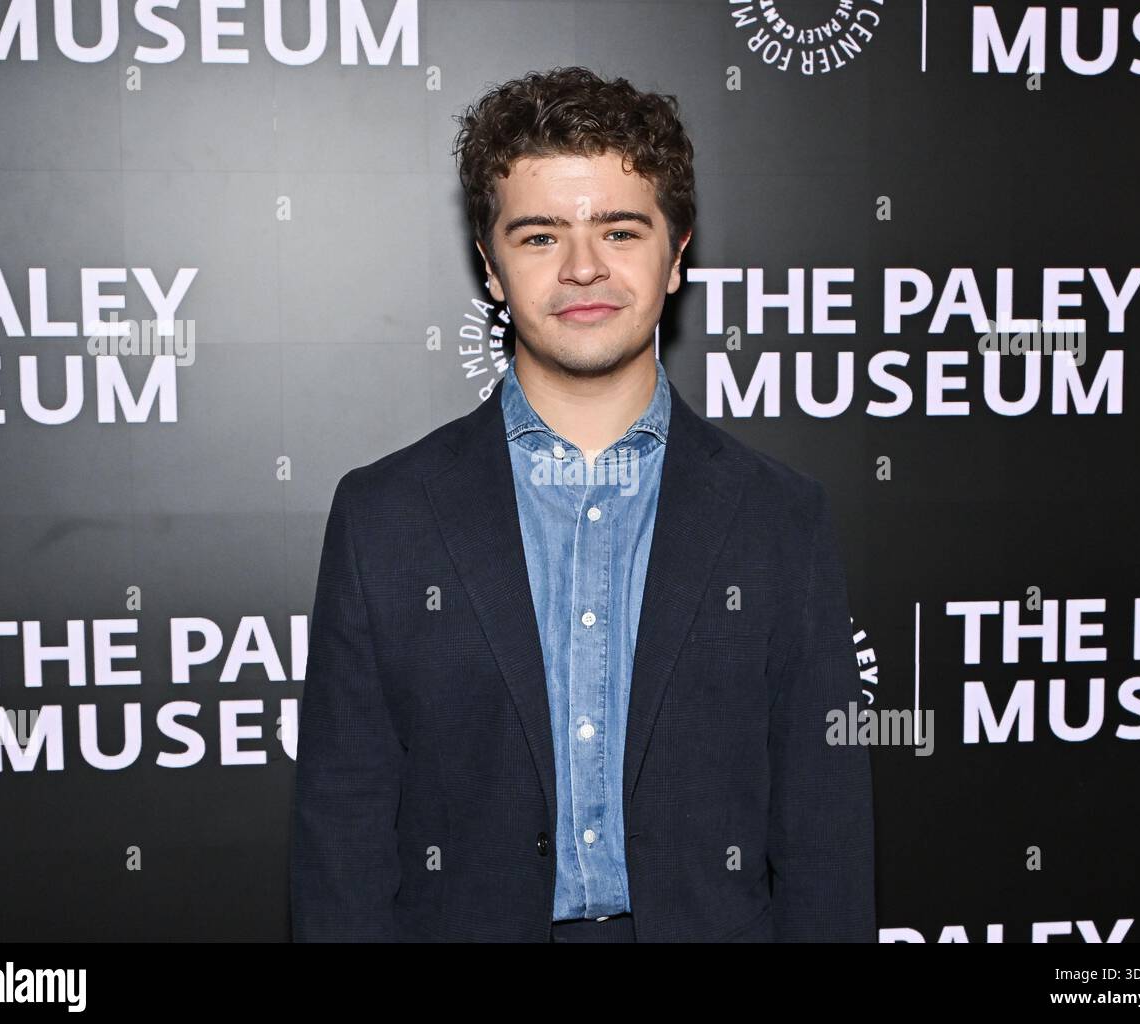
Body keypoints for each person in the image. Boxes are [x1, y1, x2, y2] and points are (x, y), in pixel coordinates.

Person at [290, 66, 874, 943]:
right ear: (490, 268)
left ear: (676, 255)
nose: (583, 268)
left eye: (620, 229)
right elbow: (343, 834)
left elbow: (824, 839)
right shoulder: (386, 517)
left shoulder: (778, 517)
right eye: (538, 237)